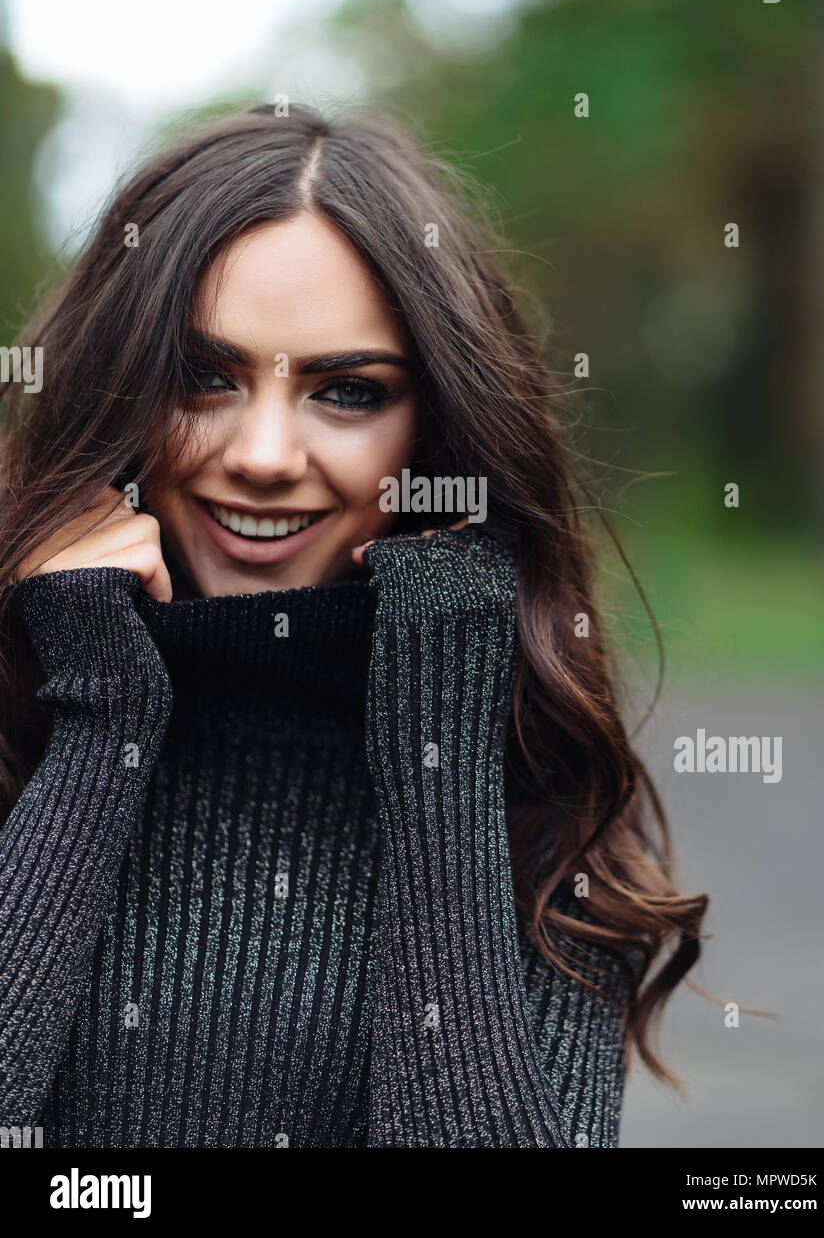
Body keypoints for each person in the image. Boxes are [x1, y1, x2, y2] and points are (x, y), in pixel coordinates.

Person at [0, 102, 707, 1147]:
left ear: (434, 426)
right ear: (118, 385)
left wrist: (438, 739)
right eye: (205, 377)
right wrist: (102, 721)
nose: (267, 453)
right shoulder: (20, 721)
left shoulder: (541, 799)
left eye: (345, 391)